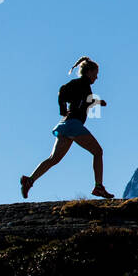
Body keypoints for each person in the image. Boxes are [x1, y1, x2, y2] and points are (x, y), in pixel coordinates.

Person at [21, 56, 114, 199]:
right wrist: (62, 107)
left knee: (54, 159)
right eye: (96, 73)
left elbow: (82, 101)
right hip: (73, 125)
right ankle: (98, 187)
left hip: (65, 125)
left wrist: (98, 102)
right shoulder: (81, 83)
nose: (97, 77)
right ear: (88, 72)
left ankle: (29, 180)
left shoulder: (84, 87)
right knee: (98, 152)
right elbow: (62, 90)